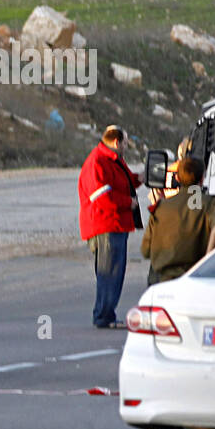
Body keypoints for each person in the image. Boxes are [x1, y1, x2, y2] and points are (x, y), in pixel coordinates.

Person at [78, 124, 142, 329]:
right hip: (105, 226)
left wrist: (141, 178)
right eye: (125, 143)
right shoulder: (97, 162)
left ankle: (106, 314)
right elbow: (101, 198)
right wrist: (128, 202)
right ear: (116, 142)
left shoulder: (113, 159)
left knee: (114, 271)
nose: (126, 147)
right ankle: (103, 315)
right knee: (109, 272)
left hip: (115, 225)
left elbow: (124, 181)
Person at [141, 157, 215, 284]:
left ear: (177, 178)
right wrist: (207, 261)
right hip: (194, 280)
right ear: (202, 178)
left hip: (162, 281)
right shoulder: (211, 204)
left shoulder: (161, 207)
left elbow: (146, 250)